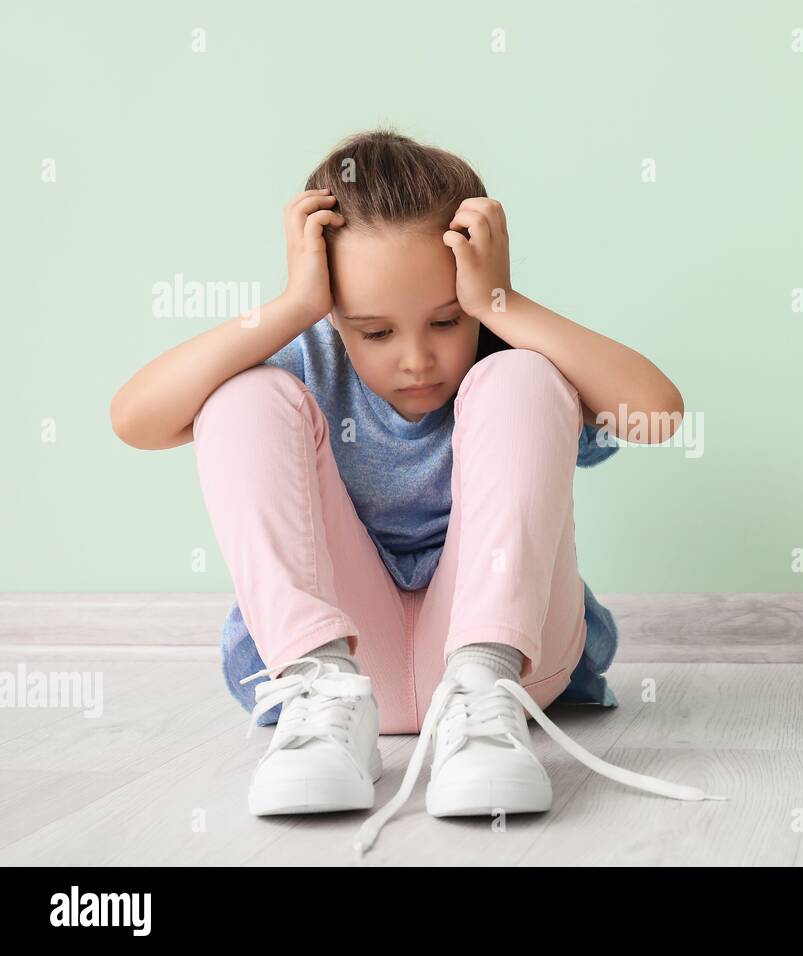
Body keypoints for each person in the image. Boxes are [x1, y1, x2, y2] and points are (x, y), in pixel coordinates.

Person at [110, 128, 723, 857]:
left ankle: (483, 701)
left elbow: (657, 413)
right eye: (373, 330)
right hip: (335, 670)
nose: (417, 358)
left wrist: (503, 305)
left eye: (446, 319)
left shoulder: (503, 351)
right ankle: (322, 703)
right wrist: (290, 307)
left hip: (510, 670)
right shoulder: (308, 356)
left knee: (525, 377)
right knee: (238, 395)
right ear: (334, 314)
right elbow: (135, 419)